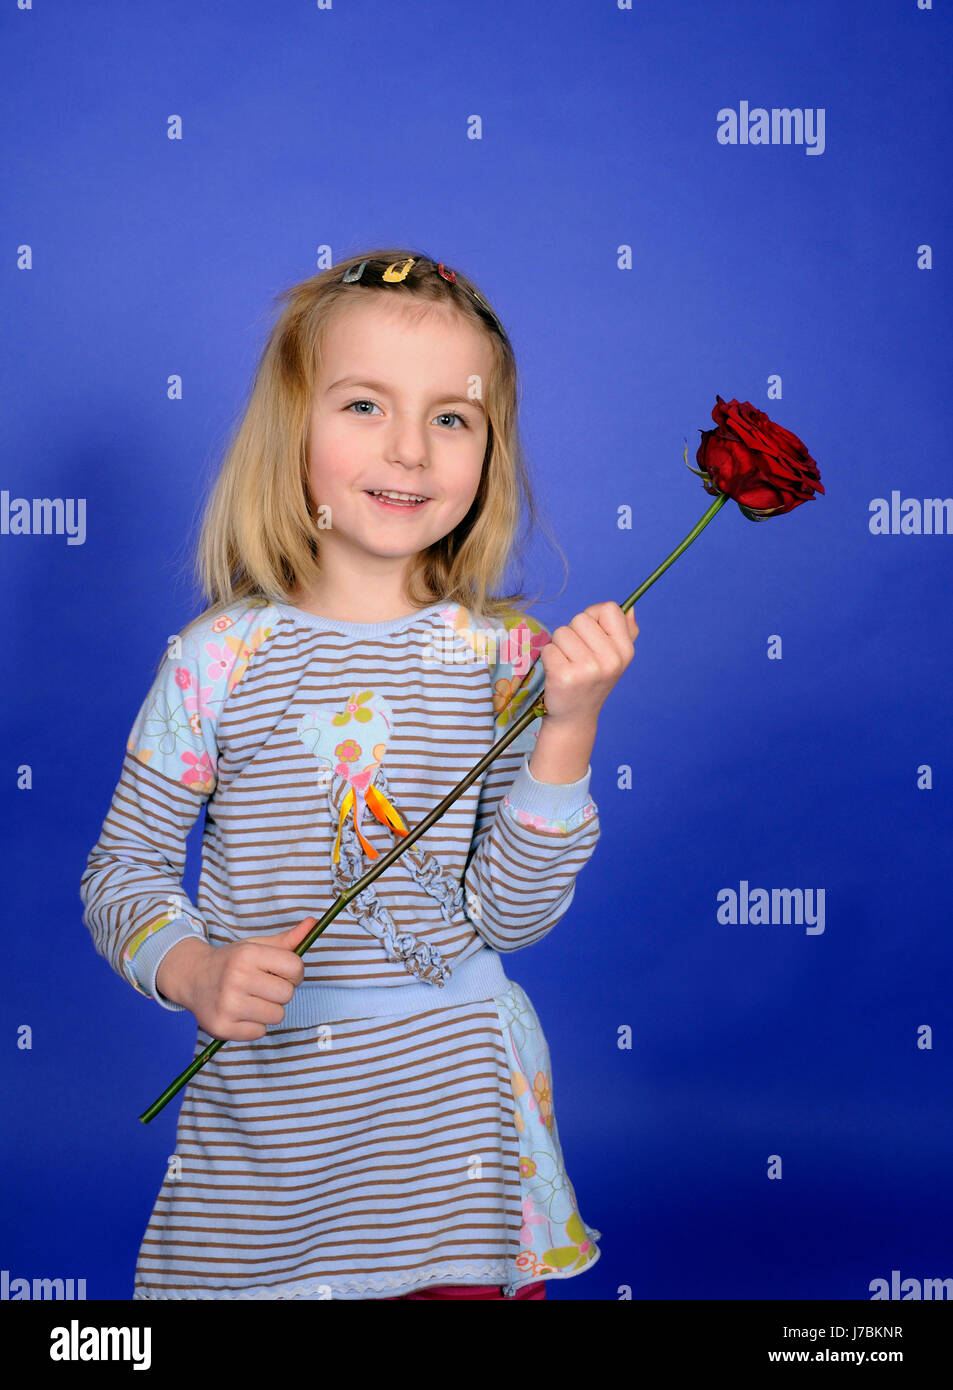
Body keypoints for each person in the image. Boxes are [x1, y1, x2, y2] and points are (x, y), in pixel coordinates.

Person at [80, 248, 639, 1301]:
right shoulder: (218, 659)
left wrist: (569, 730)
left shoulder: (504, 659)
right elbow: (124, 870)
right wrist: (193, 968)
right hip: (270, 1136)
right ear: (291, 426)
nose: (408, 449)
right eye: (363, 404)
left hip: (449, 1133)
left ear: (489, 452)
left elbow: (510, 917)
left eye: (451, 417)